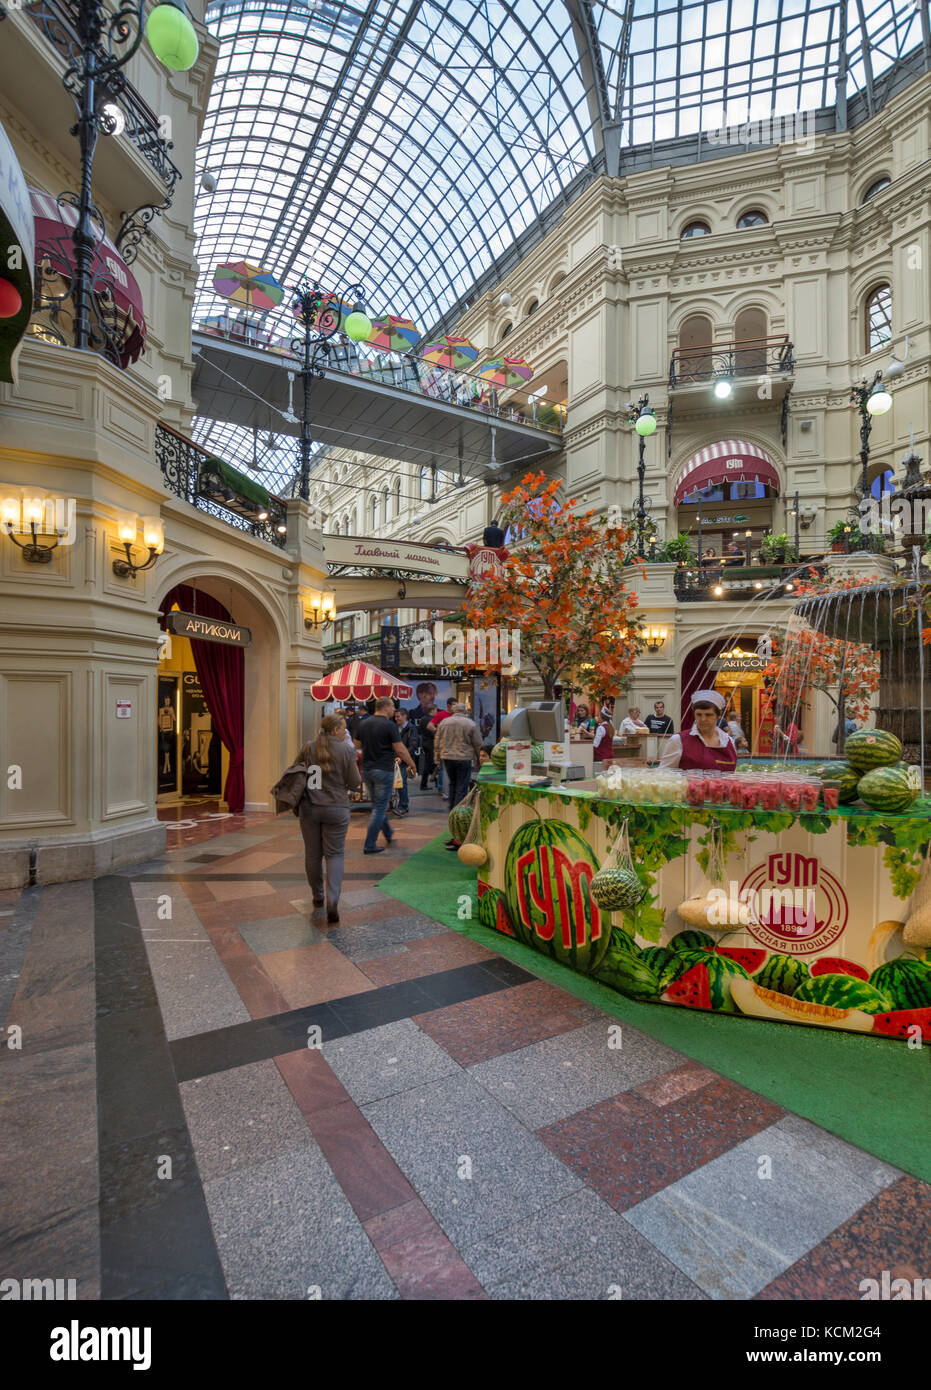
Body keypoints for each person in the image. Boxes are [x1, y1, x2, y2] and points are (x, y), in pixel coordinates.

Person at [295, 713, 361, 923]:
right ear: (335, 730)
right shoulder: (346, 750)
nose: (345, 732)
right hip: (336, 808)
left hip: (310, 808)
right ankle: (333, 899)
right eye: (343, 728)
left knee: (312, 855)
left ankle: (317, 896)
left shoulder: (308, 747)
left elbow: (297, 771)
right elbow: (354, 782)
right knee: (334, 855)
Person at [359, 697, 418, 854]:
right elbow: (400, 749)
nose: (394, 710)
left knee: (377, 805)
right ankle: (369, 844)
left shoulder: (364, 723)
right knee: (379, 807)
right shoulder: (389, 725)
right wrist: (412, 764)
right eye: (392, 706)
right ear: (385, 707)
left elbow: (357, 744)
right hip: (383, 770)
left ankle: (388, 832)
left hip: (367, 770)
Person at [434, 702, 484, 848]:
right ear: (465, 711)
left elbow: (437, 741)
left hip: (447, 757)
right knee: (462, 788)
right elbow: (478, 744)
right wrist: (479, 759)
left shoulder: (444, 722)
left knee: (453, 785)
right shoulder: (470, 723)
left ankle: (452, 815)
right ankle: (459, 818)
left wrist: (436, 757)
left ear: (453, 711)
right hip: (463, 758)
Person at [660, 689, 738, 771]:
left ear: (718, 716)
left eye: (708, 715)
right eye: (699, 714)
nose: (703, 719)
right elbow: (664, 773)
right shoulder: (678, 740)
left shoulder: (729, 741)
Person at [393, 707, 420, 815]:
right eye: (395, 716)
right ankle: (402, 803)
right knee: (398, 783)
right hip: (396, 759)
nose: (396, 718)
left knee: (401, 783)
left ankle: (403, 805)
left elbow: (413, 745)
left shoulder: (411, 728)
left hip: (405, 761)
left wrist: (402, 757)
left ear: (405, 716)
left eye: (398, 716)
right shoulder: (395, 728)